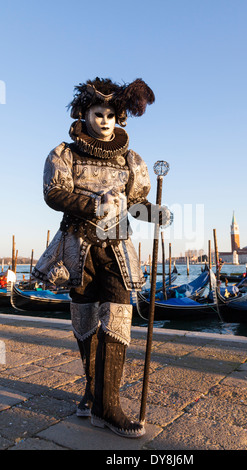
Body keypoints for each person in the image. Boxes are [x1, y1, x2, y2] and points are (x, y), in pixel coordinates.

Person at [32, 77, 172, 438]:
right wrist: (96, 204)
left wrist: (155, 213)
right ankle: (93, 397)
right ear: (86, 113)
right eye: (99, 113)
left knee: (118, 316)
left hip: (116, 250)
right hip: (77, 250)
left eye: (111, 114)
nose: (105, 120)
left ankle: (108, 408)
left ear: (119, 117)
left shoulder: (130, 160)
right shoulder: (65, 153)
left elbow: (136, 204)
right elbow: (54, 193)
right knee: (85, 321)